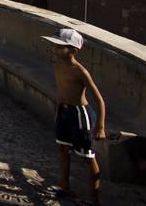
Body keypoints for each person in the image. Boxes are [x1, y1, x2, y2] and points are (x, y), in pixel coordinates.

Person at [43, 28, 106, 204]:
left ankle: (94, 200)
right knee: (63, 150)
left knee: (87, 157)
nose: (54, 48)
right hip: (64, 111)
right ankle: (64, 186)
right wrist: (58, 110)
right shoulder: (57, 64)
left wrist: (100, 127)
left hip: (80, 114)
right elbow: (61, 90)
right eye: (54, 45)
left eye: (59, 46)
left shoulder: (80, 71)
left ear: (72, 50)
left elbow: (99, 100)